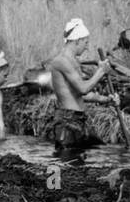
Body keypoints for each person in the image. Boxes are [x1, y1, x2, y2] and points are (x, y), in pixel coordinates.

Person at [45, 18, 118, 149]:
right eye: (85, 42)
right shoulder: (61, 61)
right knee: (69, 163)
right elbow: (83, 89)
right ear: (77, 40)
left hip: (79, 119)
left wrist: (108, 99)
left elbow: (82, 95)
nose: (87, 46)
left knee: (93, 153)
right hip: (67, 121)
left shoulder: (73, 62)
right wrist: (100, 71)